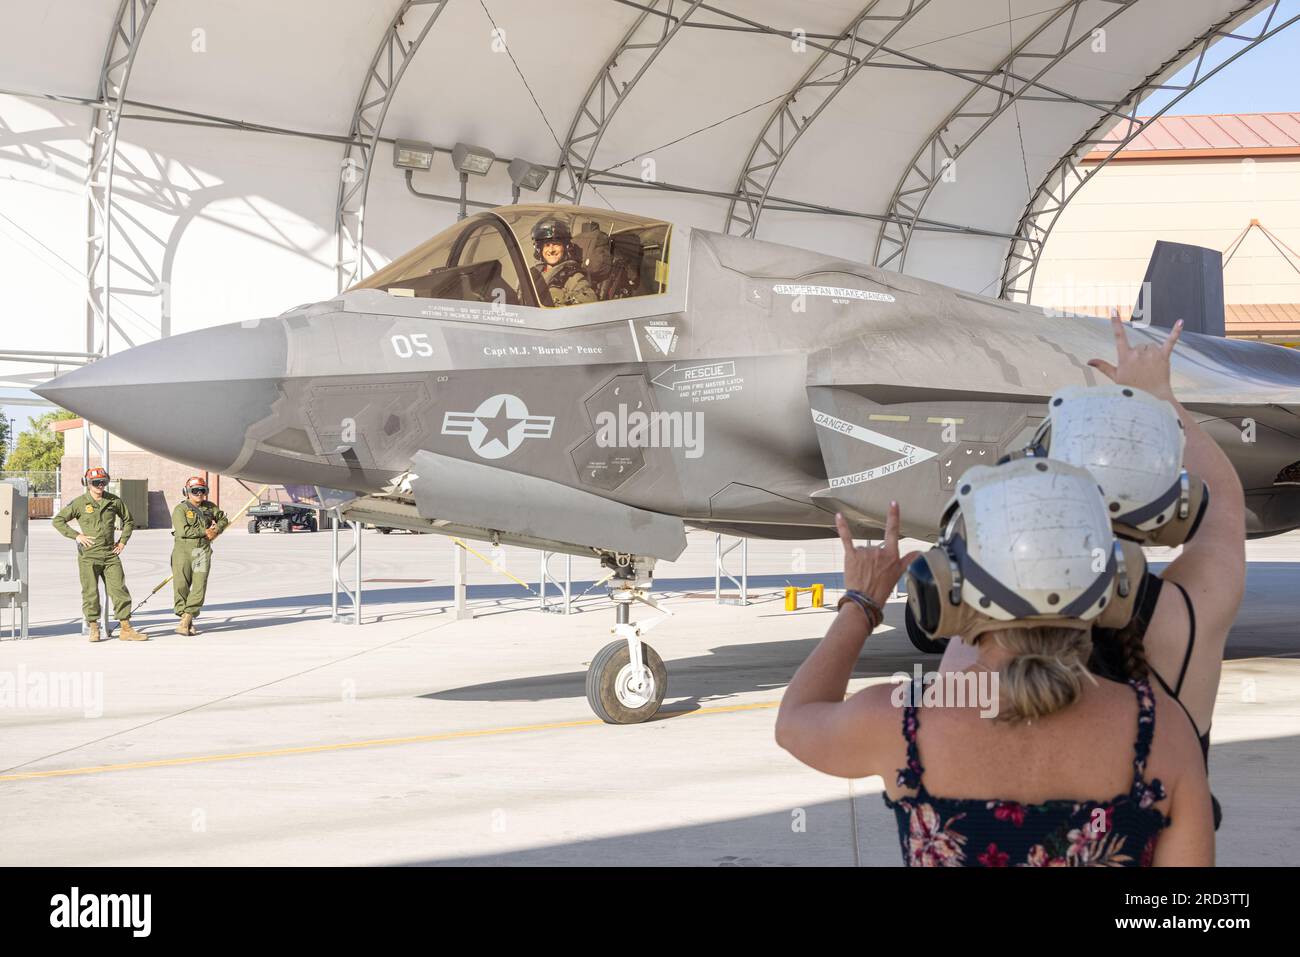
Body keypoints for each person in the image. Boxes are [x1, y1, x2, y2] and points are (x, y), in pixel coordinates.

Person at [775, 482, 1214, 866]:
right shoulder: (1162, 734)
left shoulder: (902, 724)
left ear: (948, 593)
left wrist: (862, 603)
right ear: (1112, 587)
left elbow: (796, 719)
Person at [51, 466, 147, 642]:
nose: (100, 486)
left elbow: (129, 520)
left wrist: (123, 541)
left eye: (103, 482)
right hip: (89, 555)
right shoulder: (80, 503)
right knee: (90, 592)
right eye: (96, 482)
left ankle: (126, 628)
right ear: (88, 483)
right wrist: (77, 536)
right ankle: (93, 627)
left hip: (110, 554)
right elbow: (58, 520)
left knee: (119, 589)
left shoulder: (113, 501)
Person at [170, 475, 229, 636]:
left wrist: (216, 530)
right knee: (181, 586)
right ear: (187, 492)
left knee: (199, 585)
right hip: (182, 551)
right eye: (195, 491)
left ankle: (186, 619)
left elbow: (223, 519)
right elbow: (183, 531)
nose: (199, 494)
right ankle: (186, 619)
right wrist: (205, 531)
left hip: (201, 551)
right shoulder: (180, 509)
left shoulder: (210, 507)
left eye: (202, 491)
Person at [529, 217, 597, 307]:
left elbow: (587, 310)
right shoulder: (532, 274)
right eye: (547, 245)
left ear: (565, 248)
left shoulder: (574, 278)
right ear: (540, 249)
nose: (551, 250)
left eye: (556, 244)